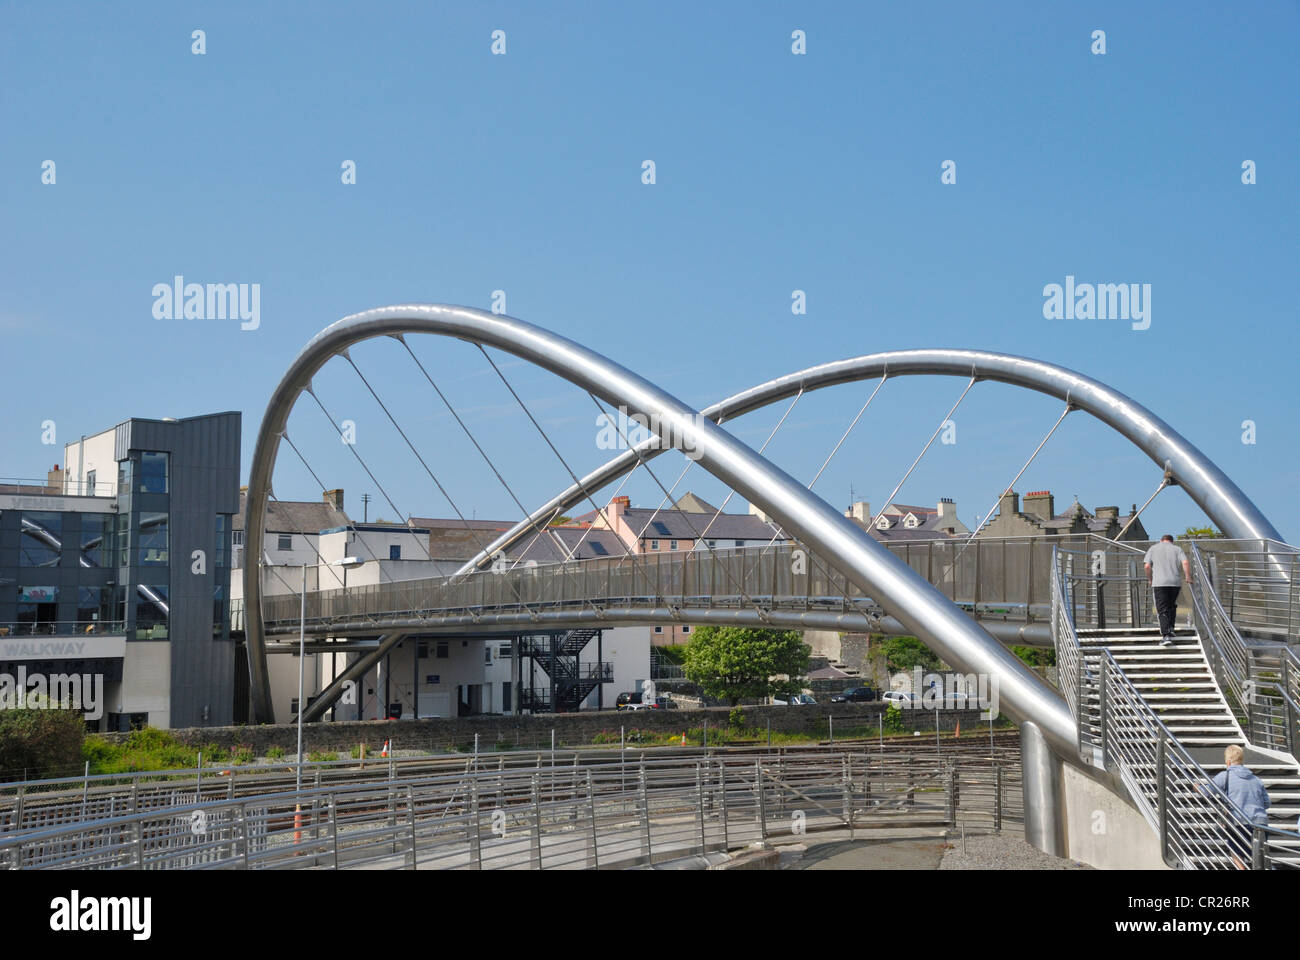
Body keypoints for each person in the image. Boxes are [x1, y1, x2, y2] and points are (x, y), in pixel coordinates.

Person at [1208, 744, 1271, 867]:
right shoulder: (1255, 779)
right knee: (1257, 856)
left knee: (1236, 851)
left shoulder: (1224, 776)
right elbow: (1267, 803)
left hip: (1239, 822)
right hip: (1260, 823)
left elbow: (1207, 792)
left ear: (1228, 761)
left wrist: (1196, 786)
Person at [1143, 534, 1191, 645]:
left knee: (1162, 609)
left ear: (1161, 540)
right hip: (1175, 582)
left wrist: (1150, 579)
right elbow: (1185, 562)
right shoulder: (1177, 549)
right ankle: (1171, 628)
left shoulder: (1153, 548)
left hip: (1159, 583)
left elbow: (1147, 566)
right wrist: (1188, 576)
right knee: (1171, 606)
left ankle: (1166, 636)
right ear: (1172, 541)